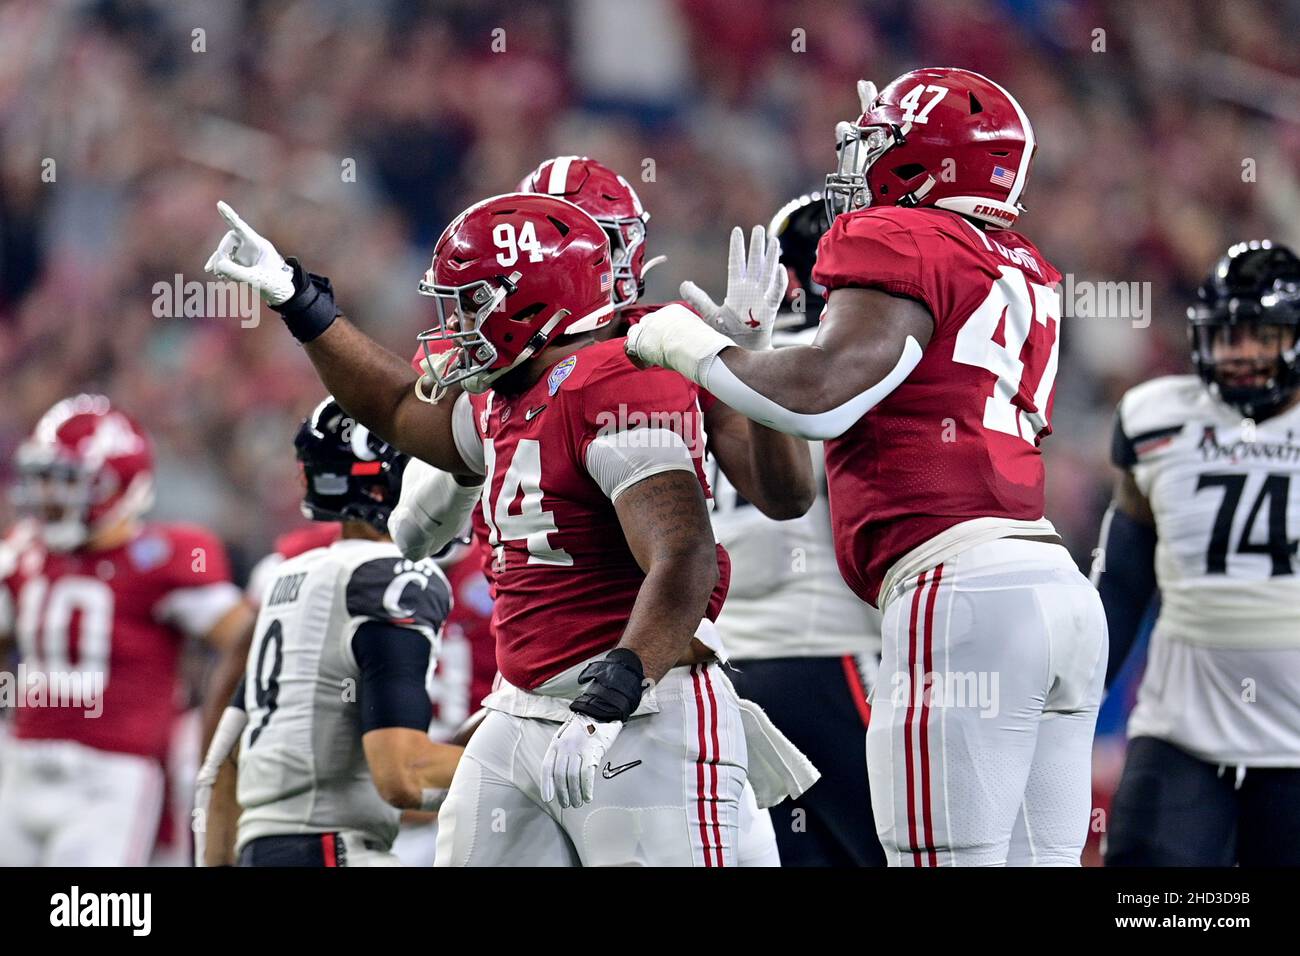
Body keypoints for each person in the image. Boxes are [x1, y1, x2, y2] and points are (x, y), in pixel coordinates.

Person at [205, 191, 817, 866]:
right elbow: (400, 406)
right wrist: (302, 302)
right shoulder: (514, 394)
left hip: (641, 711)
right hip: (522, 706)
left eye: (471, 302)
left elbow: (685, 556)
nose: (455, 322)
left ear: (529, 303)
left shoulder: (615, 381)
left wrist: (618, 689)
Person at [626, 67, 1107, 866]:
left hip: (956, 590)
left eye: (880, 143)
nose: (857, 163)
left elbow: (820, 395)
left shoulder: (899, 235)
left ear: (927, 162)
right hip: (1052, 586)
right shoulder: (1018, 259)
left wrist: (691, 345)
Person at [1099, 241, 1300, 866]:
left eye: (1260, 334)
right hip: (1181, 728)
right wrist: (1070, 699)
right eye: (1227, 335)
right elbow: (1123, 581)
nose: (1240, 352)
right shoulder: (1156, 418)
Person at [197, 397, 460, 867]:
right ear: (395, 481)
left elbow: (224, 762)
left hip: (263, 847)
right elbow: (402, 772)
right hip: (335, 851)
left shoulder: (286, 578)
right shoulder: (392, 577)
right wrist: (521, 771)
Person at [711, 191, 886, 866]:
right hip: (833, 658)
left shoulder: (722, 360)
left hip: (731, 674)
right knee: (905, 851)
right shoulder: (851, 363)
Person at [0, 394, 251, 865]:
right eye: (46, 480)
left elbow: (246, 639)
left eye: (69, 481)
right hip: (20, 764)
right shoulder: (24, 553)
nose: (51, 497)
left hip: (109, 774)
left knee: (83, 912)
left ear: (118, 485)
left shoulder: (162, 556)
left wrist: (207, 726)